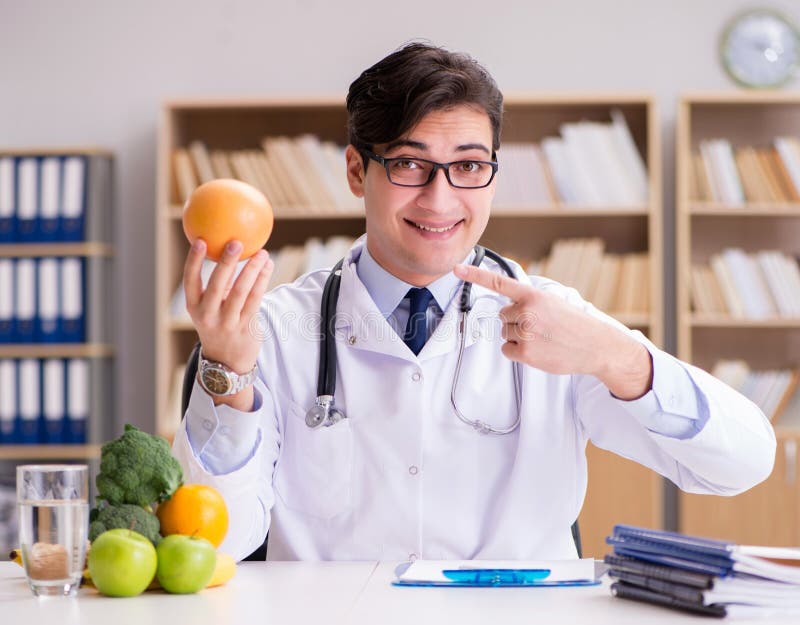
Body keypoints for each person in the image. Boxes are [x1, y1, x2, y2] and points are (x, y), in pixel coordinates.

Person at [173, 42, 776, 562]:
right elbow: (219, 544)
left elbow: (740, 464)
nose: (441, 200)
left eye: (467, 166)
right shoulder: (276, 330)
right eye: (410, 164)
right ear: (357, 170)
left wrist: (618, 358)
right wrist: (229, 370)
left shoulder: (557, 320)